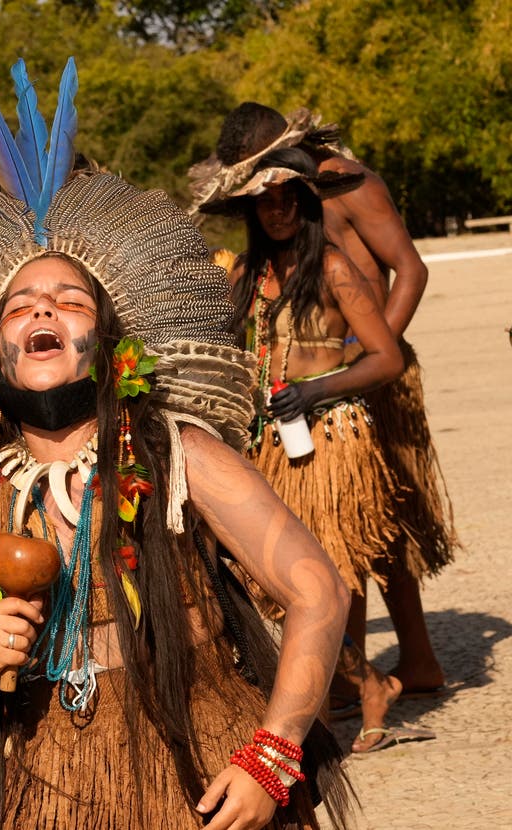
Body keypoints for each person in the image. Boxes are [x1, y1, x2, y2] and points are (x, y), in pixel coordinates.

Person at [0, 61, 351, 829]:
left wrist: (271, 756)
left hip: (193, 770)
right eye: (20, 308)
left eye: (70, 301)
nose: (43, 311)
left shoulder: (178, 455)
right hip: (38, 789)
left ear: (110, 342)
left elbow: (319, 592)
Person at [192, 104, 456, 702]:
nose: (271, 200)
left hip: (363, 366)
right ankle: (390, 665)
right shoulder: (257, 256)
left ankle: (365, 672)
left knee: (370, 521)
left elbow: (410, 271)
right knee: (358, 522)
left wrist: (355, 357)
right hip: (309, 386)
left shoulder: (346, 184)